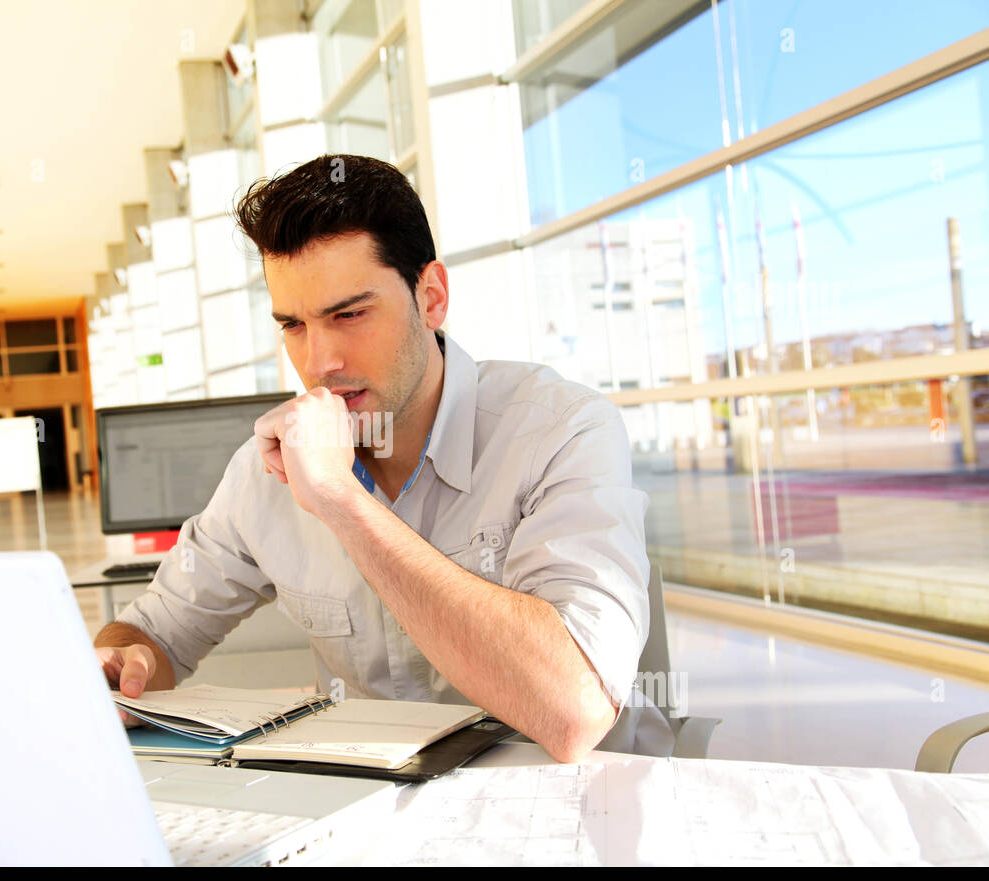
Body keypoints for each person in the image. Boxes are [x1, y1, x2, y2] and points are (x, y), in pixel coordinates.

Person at [95, 154, 651, 762]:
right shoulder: (265, 472)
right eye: (294, 325)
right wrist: (131, 660)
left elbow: (573, 710)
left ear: (431, 297)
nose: (319, 361)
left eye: (349, 314)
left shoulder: (560, 430)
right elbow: (153, 631)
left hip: (555, 819)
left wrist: (343, 502)